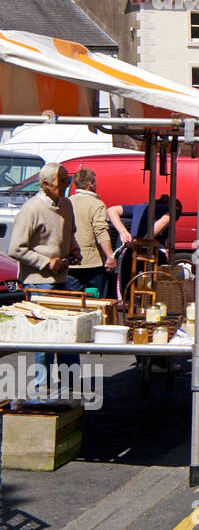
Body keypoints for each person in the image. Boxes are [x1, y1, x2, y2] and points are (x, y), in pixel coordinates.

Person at [10, 163, 78, 390]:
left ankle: (70, 385)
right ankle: (42, 387)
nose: (66, 186)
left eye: (67, 181)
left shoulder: (66, 205)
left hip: (61, 281)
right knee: (45, 337)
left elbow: (69, 234)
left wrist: (73, 250)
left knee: (68, 333)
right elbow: (16, 249)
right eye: (61, 183)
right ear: (46, 184)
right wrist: (46, 262)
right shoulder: (31, 209)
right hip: (39, 283)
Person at [108, 195, 181, 298]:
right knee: (153, 293)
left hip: (131, 252)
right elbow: (161, 224)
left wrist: (123, 232)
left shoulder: (141, 207)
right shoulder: (172, 209)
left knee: (129, 293)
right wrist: (143, 240)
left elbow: (112, 210)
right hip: (152, 253)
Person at [67, 167, 115, 299]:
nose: (97, 185)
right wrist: (110, 256)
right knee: (94, 302)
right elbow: (100, 231)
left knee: (73, 303)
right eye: (95, 182)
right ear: (90, 184)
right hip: (92, 263)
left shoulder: (67, 202)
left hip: (70, 261)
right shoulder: (96, 204)